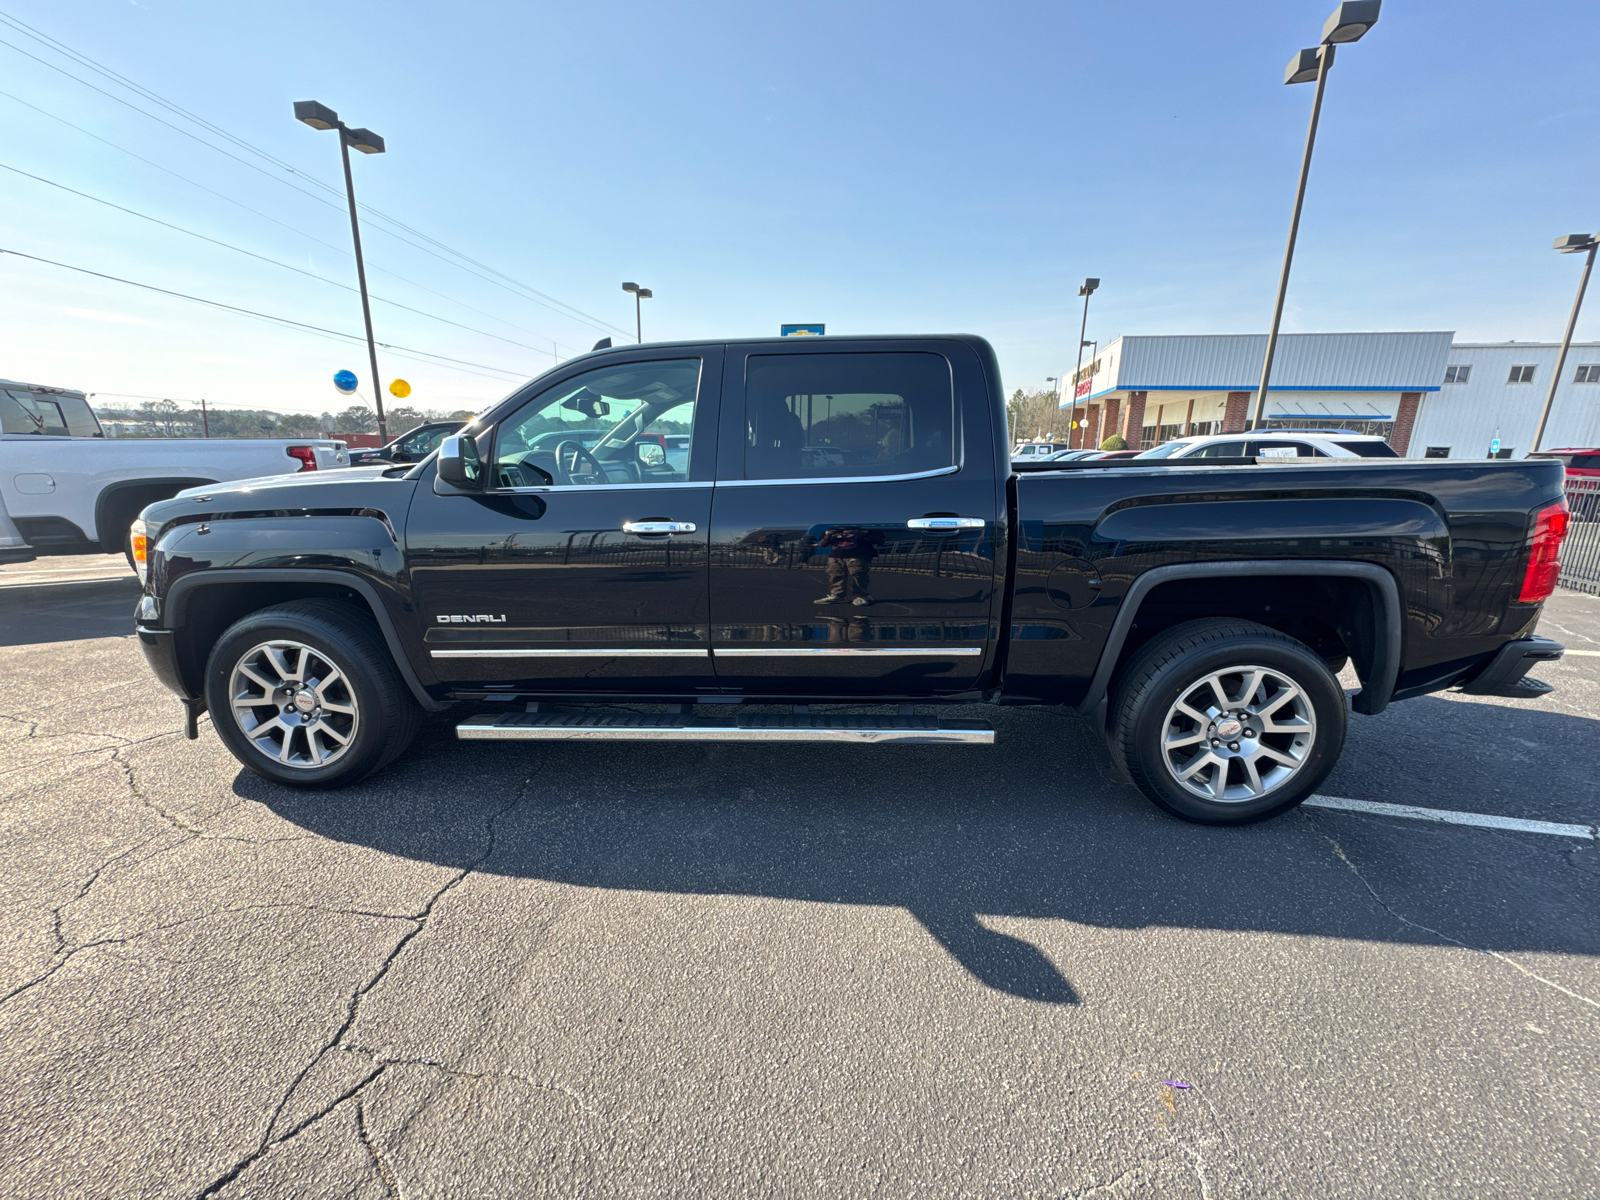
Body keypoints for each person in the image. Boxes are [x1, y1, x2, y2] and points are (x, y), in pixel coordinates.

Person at [814, 525, 882, 606]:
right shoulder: (832, 530)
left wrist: (861, 534)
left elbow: (880, 541)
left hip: (858, 555)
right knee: (835, 575)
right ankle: (837, 596)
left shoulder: (866, 529)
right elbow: (823, 544)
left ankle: (861, 596)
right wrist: (828, 535)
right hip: (836, 556)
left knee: (859, 575)